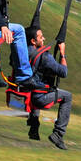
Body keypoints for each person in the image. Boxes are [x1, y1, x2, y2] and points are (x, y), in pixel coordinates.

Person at [23, 20, 72, 150]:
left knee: (37, 84)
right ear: (33, 41)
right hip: (38, 98)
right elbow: (63, 72)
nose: (44, 38)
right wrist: (62, 54)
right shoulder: (45, 57)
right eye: (40, 37)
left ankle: (34, 127)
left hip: (26, 92)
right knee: (68, 97)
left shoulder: (24, 51)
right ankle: (58, 134)